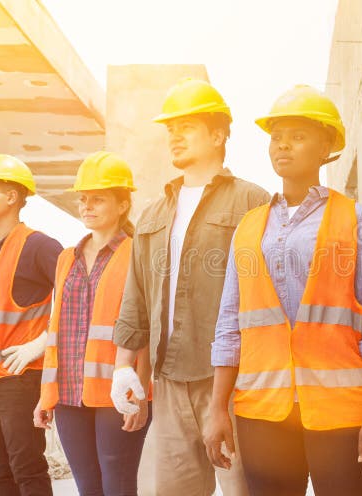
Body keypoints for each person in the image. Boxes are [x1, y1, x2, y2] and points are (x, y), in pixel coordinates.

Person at [204, 85, 362, 496]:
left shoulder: (357, 219)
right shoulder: (249, 227)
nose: (283, 146)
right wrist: (217, 407)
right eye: (276, 138)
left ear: (327, 145)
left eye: (298, 136)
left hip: (341, 411)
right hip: (262, 411)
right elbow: (229, 325)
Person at [110, 78, 269, 495]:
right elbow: (137, 294)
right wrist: (124, 366)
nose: (175, 136)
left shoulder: (253, 202)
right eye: (170, 129)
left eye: (187, 126)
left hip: (234, 382)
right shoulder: (154, 212)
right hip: (169, 381)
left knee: (245, 490)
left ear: (218, 134)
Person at [32, 151, 152, 495]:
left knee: (117, 486)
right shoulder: (65, 258)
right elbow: (56, 330)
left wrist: (141, 392)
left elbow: (145, 327)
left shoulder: (138, 253)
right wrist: (46, 396)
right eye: (83, 199)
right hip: (70, 394)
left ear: (123, 204)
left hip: (118, 393)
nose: (87, 206)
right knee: (88, 489)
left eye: (98, 199)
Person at [0, 154, 62, 495]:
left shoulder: (38, 246)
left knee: (28, 472)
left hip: (18, 381)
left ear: (12, 197)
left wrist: (41, 344)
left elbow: (80, 295)